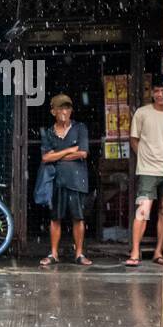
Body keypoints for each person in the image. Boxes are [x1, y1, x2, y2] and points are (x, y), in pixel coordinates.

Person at [40, 93, 92, 267]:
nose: (64, 111)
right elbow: (46, 158)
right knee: (55, 218)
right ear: (53, 111)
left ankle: (79, 254)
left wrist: (57, 155)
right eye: (61, 108)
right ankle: (54, 254)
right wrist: (69, 151)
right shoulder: (48, 133)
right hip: (57, 181)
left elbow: (83, 153)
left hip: (77, 181)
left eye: (67, 108)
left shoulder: (80, 128)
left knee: (78, 218)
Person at [127, 76, 163, 267]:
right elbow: (134, 139)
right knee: (143, 210)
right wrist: (143, 156)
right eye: (156, 90)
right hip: (147, 170)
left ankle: (158, 251)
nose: (159, 94)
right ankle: (135, 252)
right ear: (151, 92)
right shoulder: (142, 113)